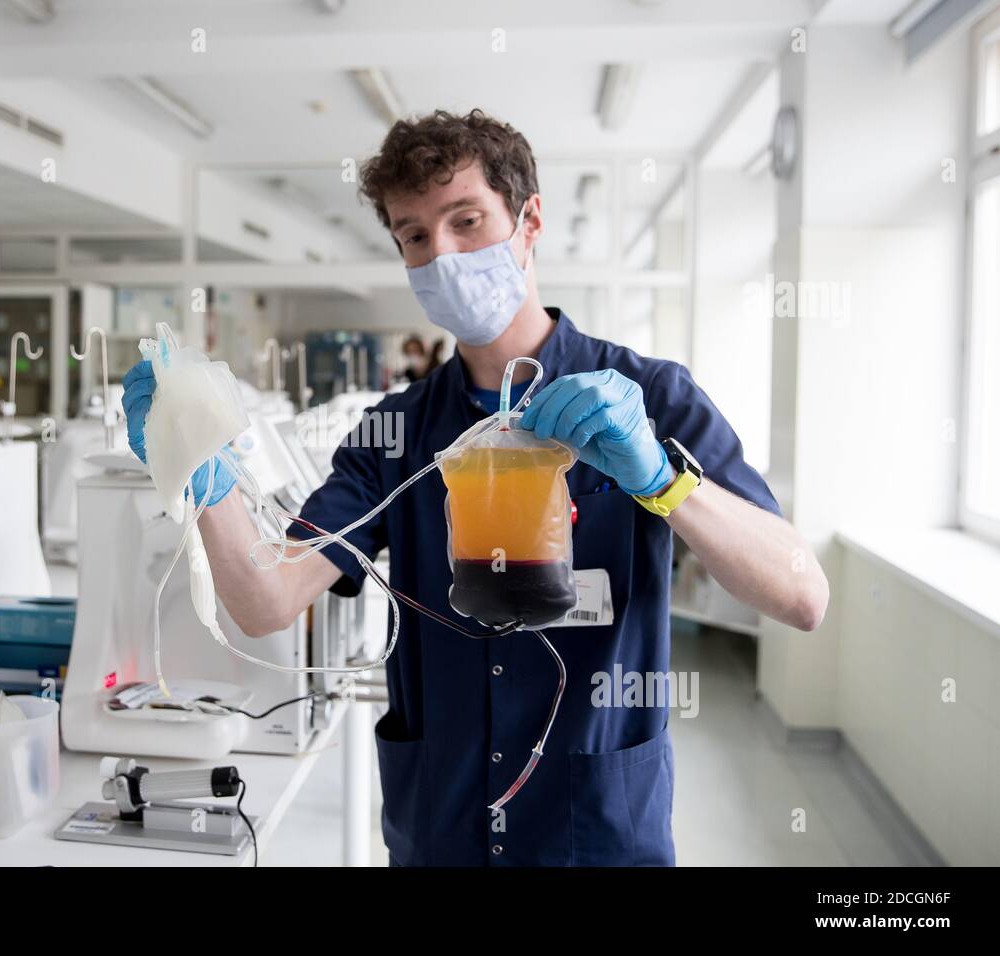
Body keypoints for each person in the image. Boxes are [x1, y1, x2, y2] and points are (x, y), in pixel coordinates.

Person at [123, 109, 829, 867]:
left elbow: (802, 595)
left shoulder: (650, 397)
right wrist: (198, 470)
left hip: (596, 824)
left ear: (529, 222)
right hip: (444, 827)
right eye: (414, 236)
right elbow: (265, 601)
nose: (443, 254)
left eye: (466, 220)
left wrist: (660, 478)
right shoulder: (393, 433)